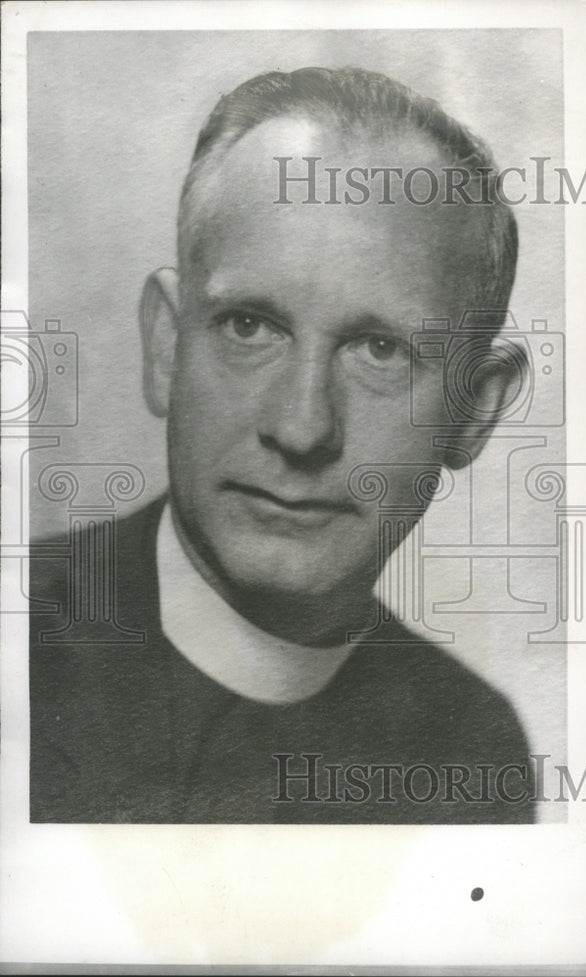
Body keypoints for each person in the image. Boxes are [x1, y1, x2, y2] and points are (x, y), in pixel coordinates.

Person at [30, 67, 535, 823]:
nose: (302, 429)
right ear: (166, 347)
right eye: (250, 327)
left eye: (379, 350)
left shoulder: (474, 749)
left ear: (474, 410)